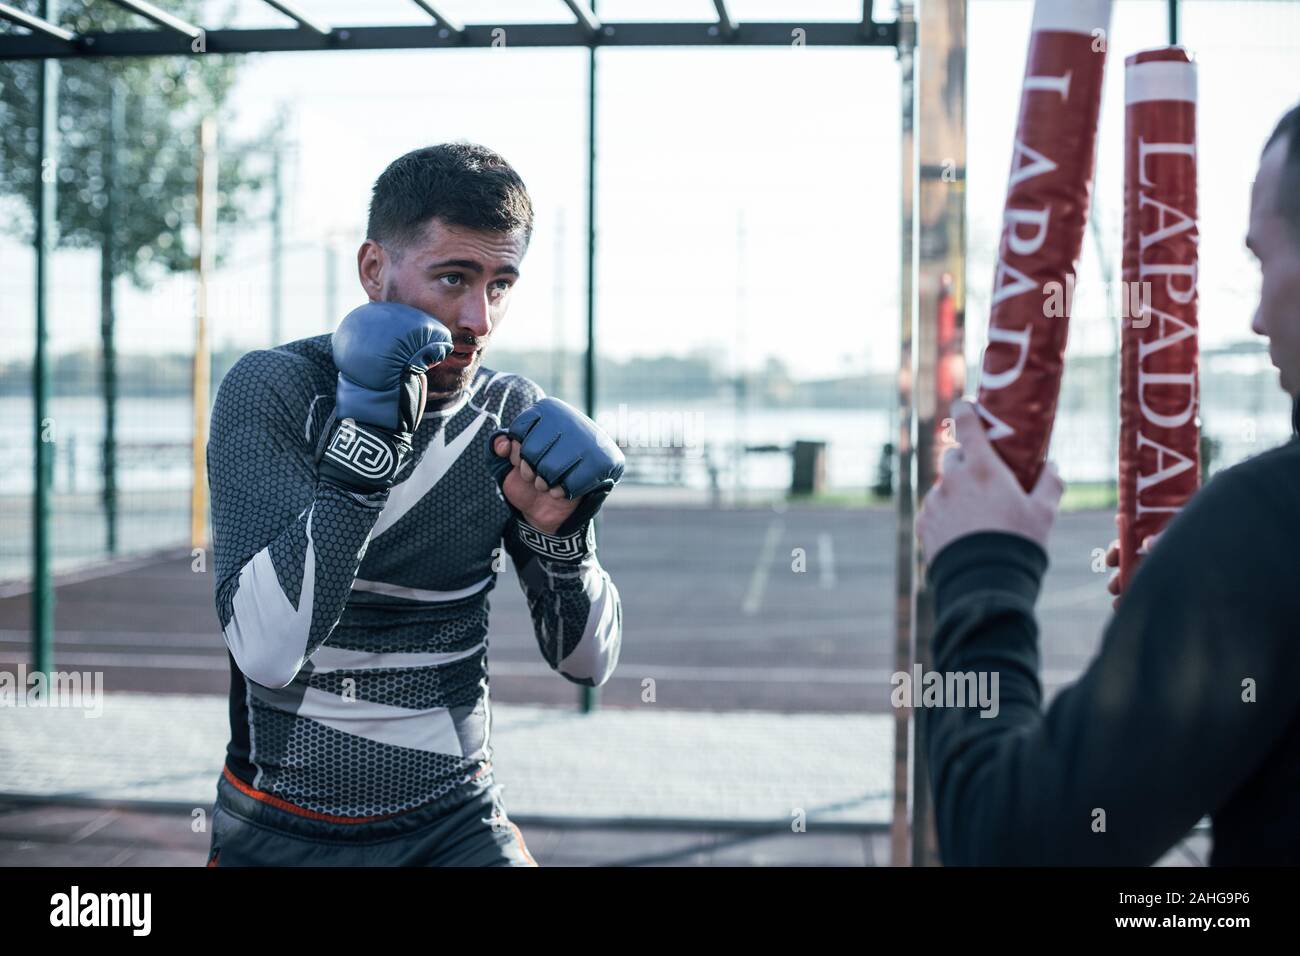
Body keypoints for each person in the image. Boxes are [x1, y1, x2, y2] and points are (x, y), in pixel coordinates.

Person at [203, 143, 624, 866]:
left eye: (500, 284)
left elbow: (589, 665)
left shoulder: (507, 416)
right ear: (375, 269)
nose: (478, 319)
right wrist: (361, 463)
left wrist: (564, 541)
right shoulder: (278, 391)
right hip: (280, 827)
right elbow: (268, 654)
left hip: (455, 824)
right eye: (453, 277)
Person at [916, 103, 1300, 866]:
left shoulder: (1268, 528)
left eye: (1264, 262)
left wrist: (981, 567)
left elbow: (1009, 844)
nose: (1256, 319)